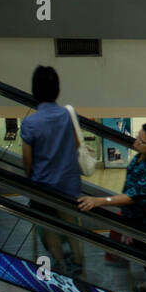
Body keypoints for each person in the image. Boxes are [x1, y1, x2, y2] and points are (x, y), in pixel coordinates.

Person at [77, 123, 146, 292]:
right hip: (136, 218)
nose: (136, 142)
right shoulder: (141, 156)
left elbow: (132, 196)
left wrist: (99, 201)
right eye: (137, 136)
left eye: (142, 141)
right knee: (143, 254)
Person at [19, 66, 84, 277]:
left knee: (50, 228)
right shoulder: (66, 114)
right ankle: (78, 263)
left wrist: (30, 177)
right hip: (69, 183)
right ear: (57, 89)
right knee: (72, 225)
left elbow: (27, 160)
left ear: (34, 91)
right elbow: (75, 143)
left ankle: (60, 264)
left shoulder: (30, 123)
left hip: (44, 186)